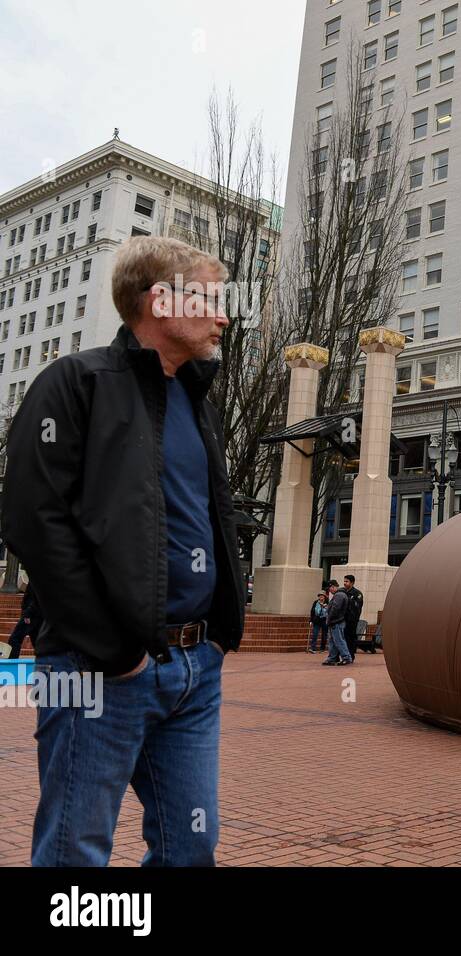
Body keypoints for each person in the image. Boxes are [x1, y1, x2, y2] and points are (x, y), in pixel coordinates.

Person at [1, 236, 244, 866]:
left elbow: (208, 519)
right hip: (93, 670)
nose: (224, 316)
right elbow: (33, 521)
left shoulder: (196, 401)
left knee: (191, 847)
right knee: (74, 853)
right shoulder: (75, 383)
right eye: (211, 299)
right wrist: (116, 650)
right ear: (160, 301)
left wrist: (220, 632)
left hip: (194, 671)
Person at [5, 587, 42, 659]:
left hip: (32, 615)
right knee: (36, 640)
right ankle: (44, 661)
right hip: (35, 614)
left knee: (15, 638)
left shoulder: (38, 578)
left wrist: (27, 614)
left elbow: (36, 598)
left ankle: (13, 662)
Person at [323, 580, 353, 666]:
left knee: (339, 640)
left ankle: (346, 657)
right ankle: (332, 658)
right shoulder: (341, 594)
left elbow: (335, 609)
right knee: (334, 641)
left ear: (333, 587)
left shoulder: (339, 595)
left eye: (330, 589)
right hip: (337, 621)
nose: (330, 591)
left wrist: (329, 619)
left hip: (336, 621)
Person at [341, 574, 364, 659]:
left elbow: (357, 608)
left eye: (347, 581)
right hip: (342, 619)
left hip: (351, 620)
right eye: (344, 581)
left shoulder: (357, 594)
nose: (344, 583)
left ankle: (351, 655)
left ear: (352, 582)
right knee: (343, 638)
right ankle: (344, 655)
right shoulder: (343, 592)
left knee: (350, 638)